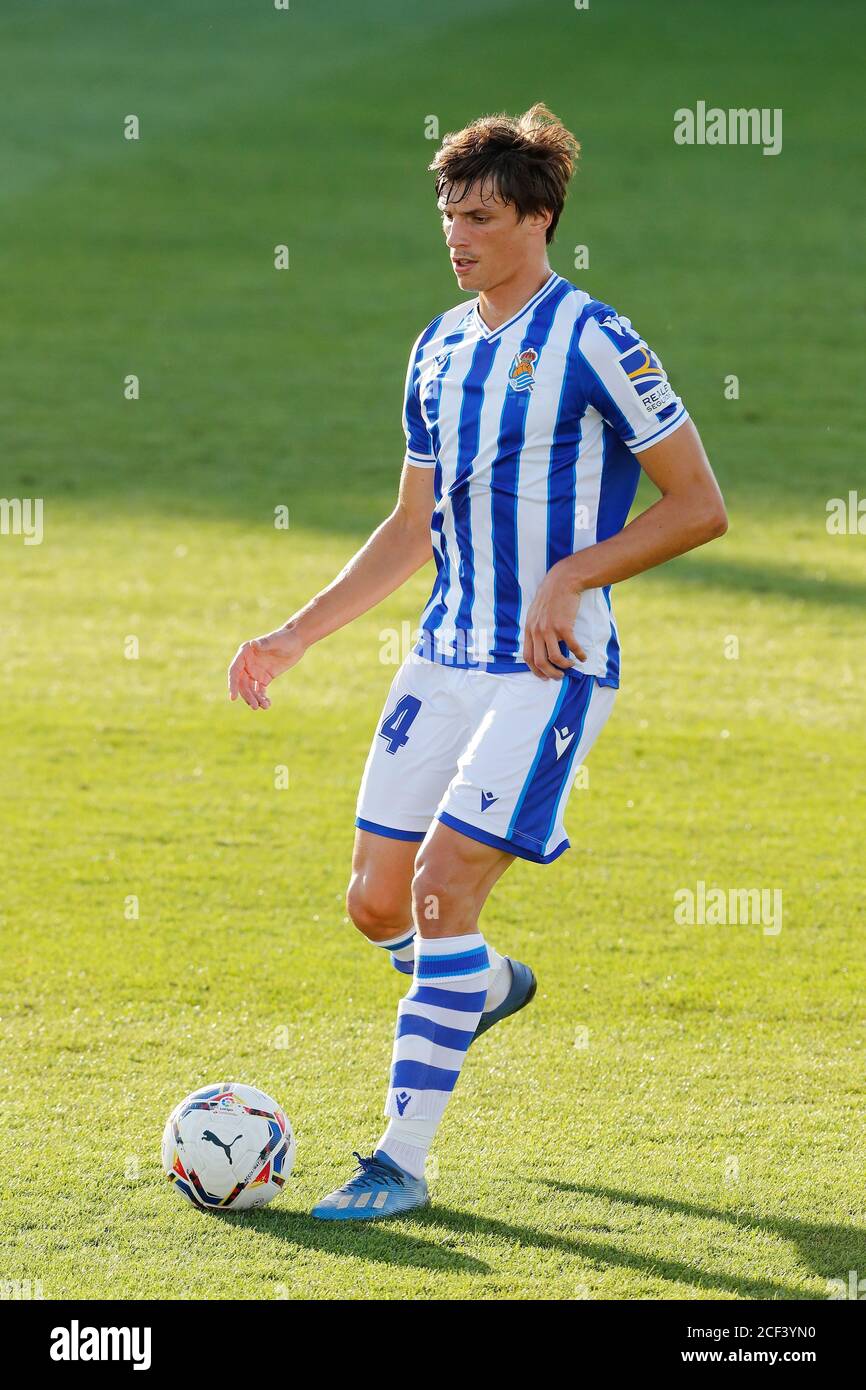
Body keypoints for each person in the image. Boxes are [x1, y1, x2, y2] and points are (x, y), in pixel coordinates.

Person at [228, 104, 727, 1221]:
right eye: (448, 213)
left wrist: (571, 576)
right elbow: (411, 527)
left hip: (548, 669)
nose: (457, 234)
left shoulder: (598, 338)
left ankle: (399, 1160)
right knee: (373, 904)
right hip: (441, 659)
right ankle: (486, 986)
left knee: (442, 894)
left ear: (538, 219)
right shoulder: (440, 344)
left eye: (482, 216)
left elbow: (699, 506)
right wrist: (298, 631)